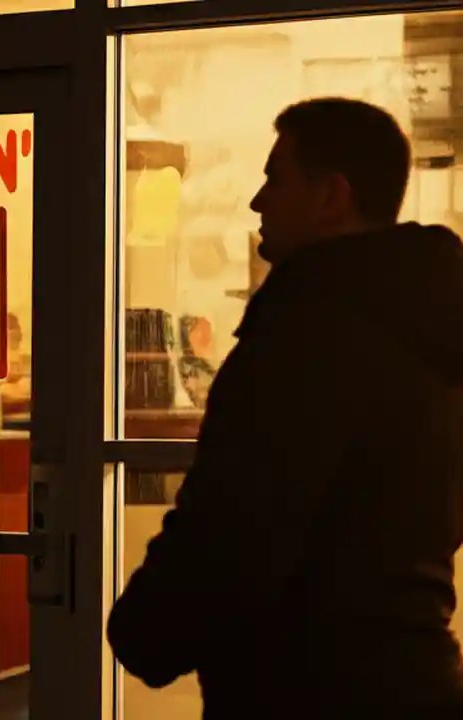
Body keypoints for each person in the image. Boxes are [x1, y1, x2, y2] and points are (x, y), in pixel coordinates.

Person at [108, 97, 463, 718]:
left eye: (276, 176)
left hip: (302, 686)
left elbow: (236, 521)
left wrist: (143, 633)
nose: (257, 201)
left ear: (332, 197)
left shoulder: (308, 336)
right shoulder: (432, 329)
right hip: (412, 676)